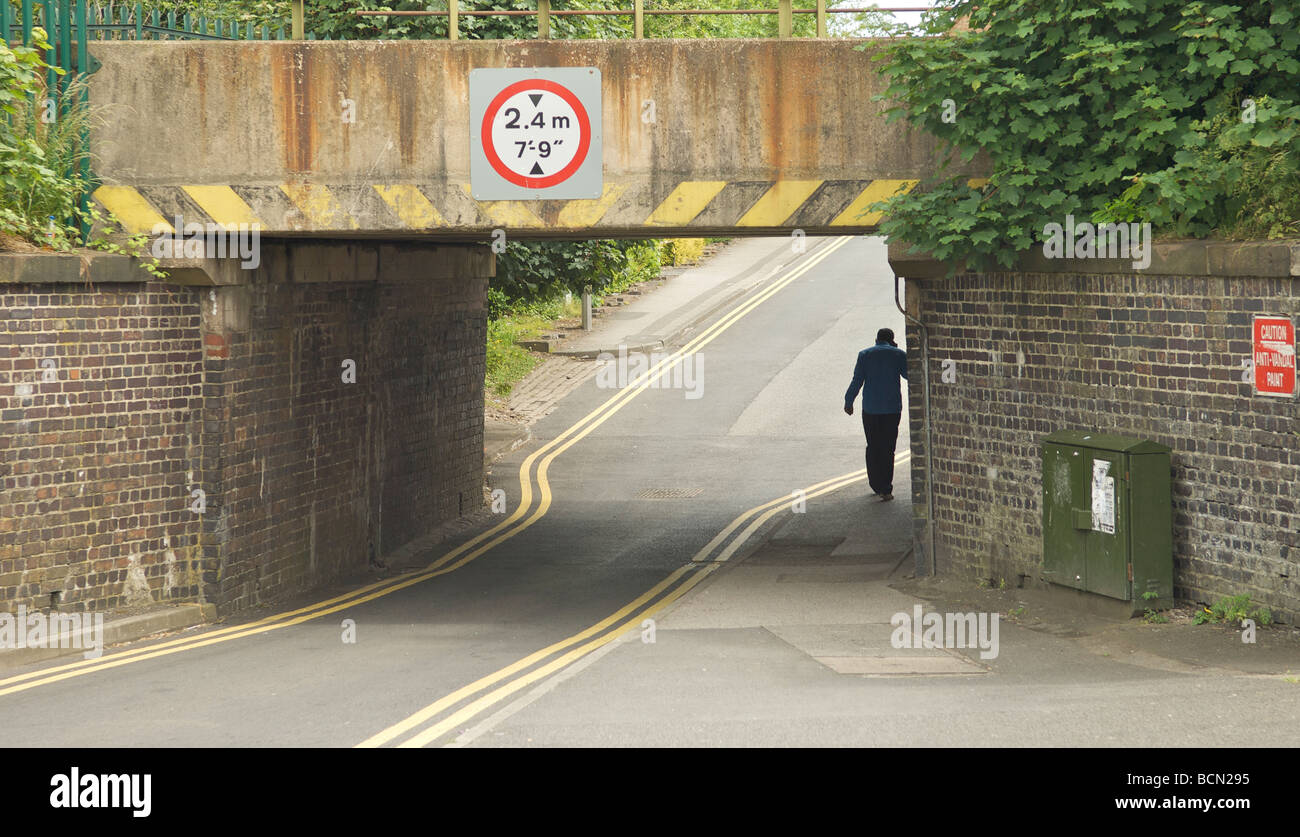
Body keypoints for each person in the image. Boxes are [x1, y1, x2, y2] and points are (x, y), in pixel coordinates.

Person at [843, 328, 908, 501]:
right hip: (892, 409)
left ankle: (875, 483)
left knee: (873, 446)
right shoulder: (898, 354)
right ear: (892, 340)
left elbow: (857, 380)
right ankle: (886, 488)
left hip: (870, 409)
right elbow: (910, 375)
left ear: (876, 339)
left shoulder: (865, 355)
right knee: (888, 448)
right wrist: (899, 353)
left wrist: (848, 402)